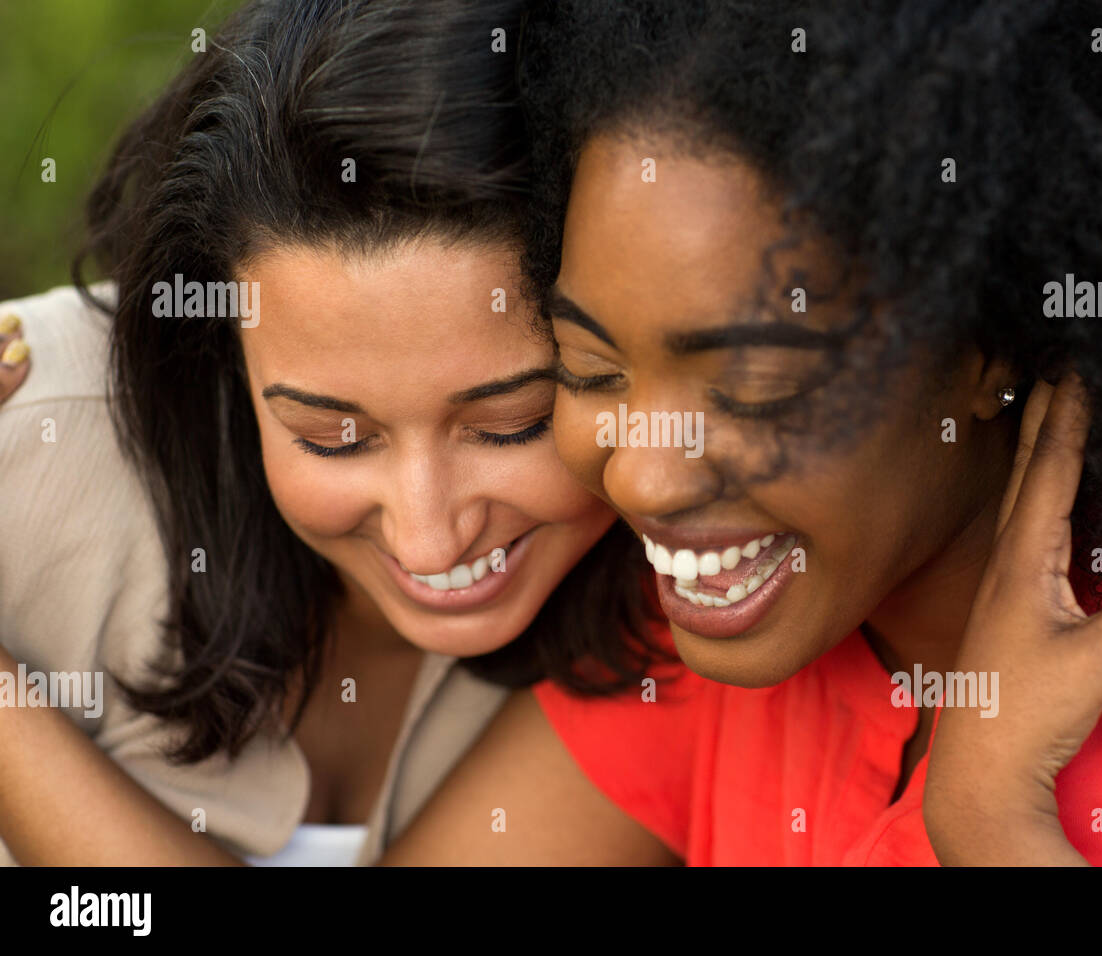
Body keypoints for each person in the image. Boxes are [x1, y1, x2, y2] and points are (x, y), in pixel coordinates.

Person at [393, 0, 1102, 865]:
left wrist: (989, 826)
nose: (643, 480)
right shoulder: (697, 622)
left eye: (750, 386)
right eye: (593, 370)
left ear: (994, 345)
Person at [0, 0, 661, 866]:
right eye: (333, 437)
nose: (431, 538)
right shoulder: (31, 450)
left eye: (513, 423)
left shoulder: (697, 580)